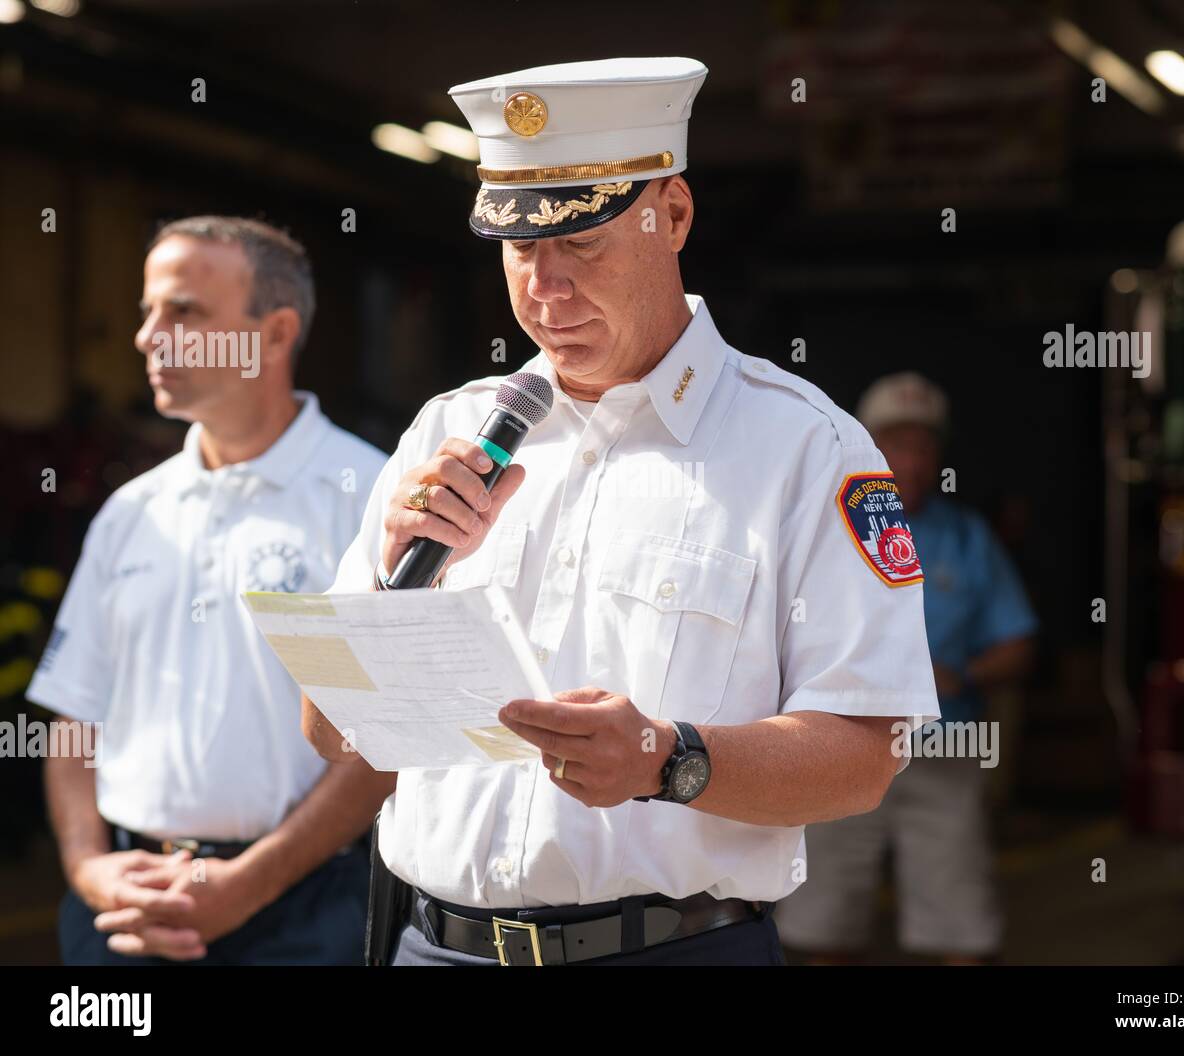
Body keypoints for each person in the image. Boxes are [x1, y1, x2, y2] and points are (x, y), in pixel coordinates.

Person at [303, 58, 939, 966]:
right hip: (436, 948)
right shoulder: (448, 430)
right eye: (521, 249)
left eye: (583, 243)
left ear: (672, 215)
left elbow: (865, 754)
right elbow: (333, 737)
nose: (545, 289)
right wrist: (392, 583)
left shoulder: (807, 450)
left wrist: (667, 760)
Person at [30, 217, 393, 965]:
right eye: (147, 312)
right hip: (118, 918)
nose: (148, 337)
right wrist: (87, 867)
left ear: (276, 330)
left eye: (183, 311)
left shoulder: (372, 497)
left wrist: (247, 886)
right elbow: (72, 718)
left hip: (302, 919)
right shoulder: (130, 512)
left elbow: (388, 738)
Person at [777, 372, 1037, 965]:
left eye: (924, 445)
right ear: (866, 444)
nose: (911, 459)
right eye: (896, 442)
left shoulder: (968, 537)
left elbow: (1018, 643)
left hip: (943, 745)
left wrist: (964, 674)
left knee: (958, 924)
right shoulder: (824, 525)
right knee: (823, 923)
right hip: (836, 741)